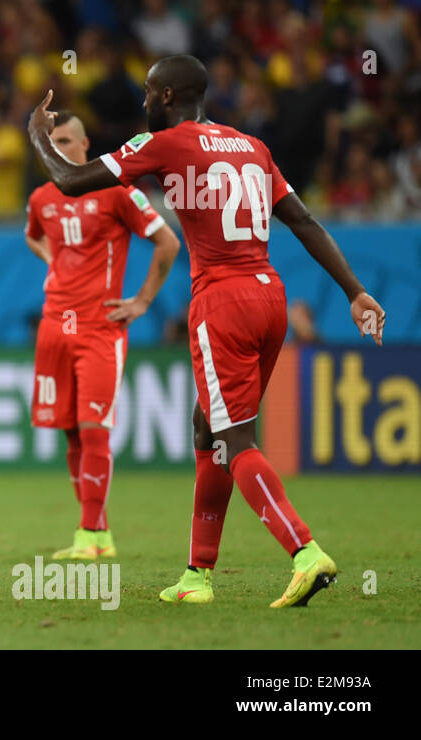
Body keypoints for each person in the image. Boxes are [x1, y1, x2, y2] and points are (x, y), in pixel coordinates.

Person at [26, 55, 387, 608]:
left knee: (235, 440)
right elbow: (305, 222)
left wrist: (38, 137)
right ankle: (198, 575)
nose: (143, 101)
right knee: (208, 429)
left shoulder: (165, 142)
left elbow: (71, 180)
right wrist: (355, 291)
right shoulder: (250, 146)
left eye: (148, 92)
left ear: (168, 96)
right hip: (270, 296)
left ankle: (305, 552)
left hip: (222, 302)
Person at [24, 111, 180, 561]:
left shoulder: (117, 192)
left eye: (68, 141)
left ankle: (89, 533)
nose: (61, 149)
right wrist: (55, 262)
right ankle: (98, 535)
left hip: (99, 327)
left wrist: (143, 301)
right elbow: (31, 236)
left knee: (95, 431)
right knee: (71, 432)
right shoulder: (41, 199)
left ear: (87, 144)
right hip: (54, 325)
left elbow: (167, 242)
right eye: (52, 142)